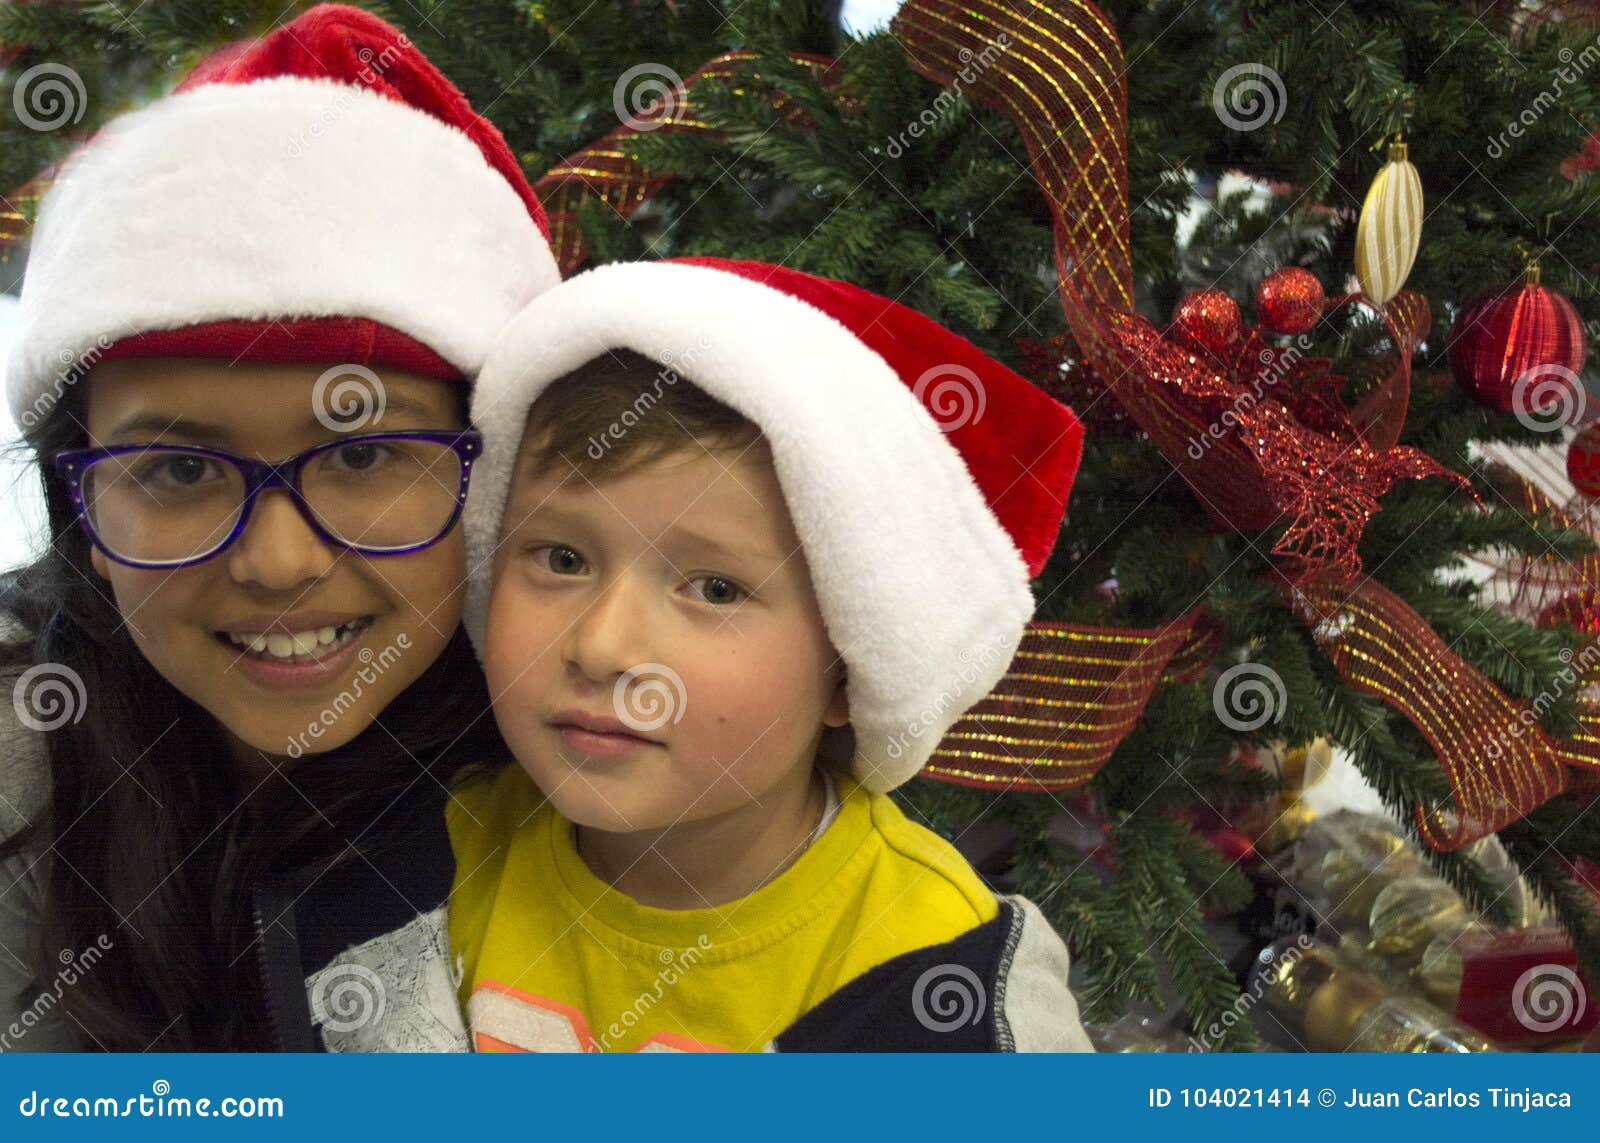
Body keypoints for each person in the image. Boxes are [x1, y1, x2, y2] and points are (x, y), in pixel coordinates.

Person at [0, 4, 558, 1051]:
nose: (278, 562)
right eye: (174, 469)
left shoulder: (616, 777)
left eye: (359, 456)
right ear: (78, 502)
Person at [447, 257, 1096, 1052]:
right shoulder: (444, 850)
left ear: (851, 668)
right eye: (561, 558)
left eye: (715, 589)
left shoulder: (939, 977)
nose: (602, 646)